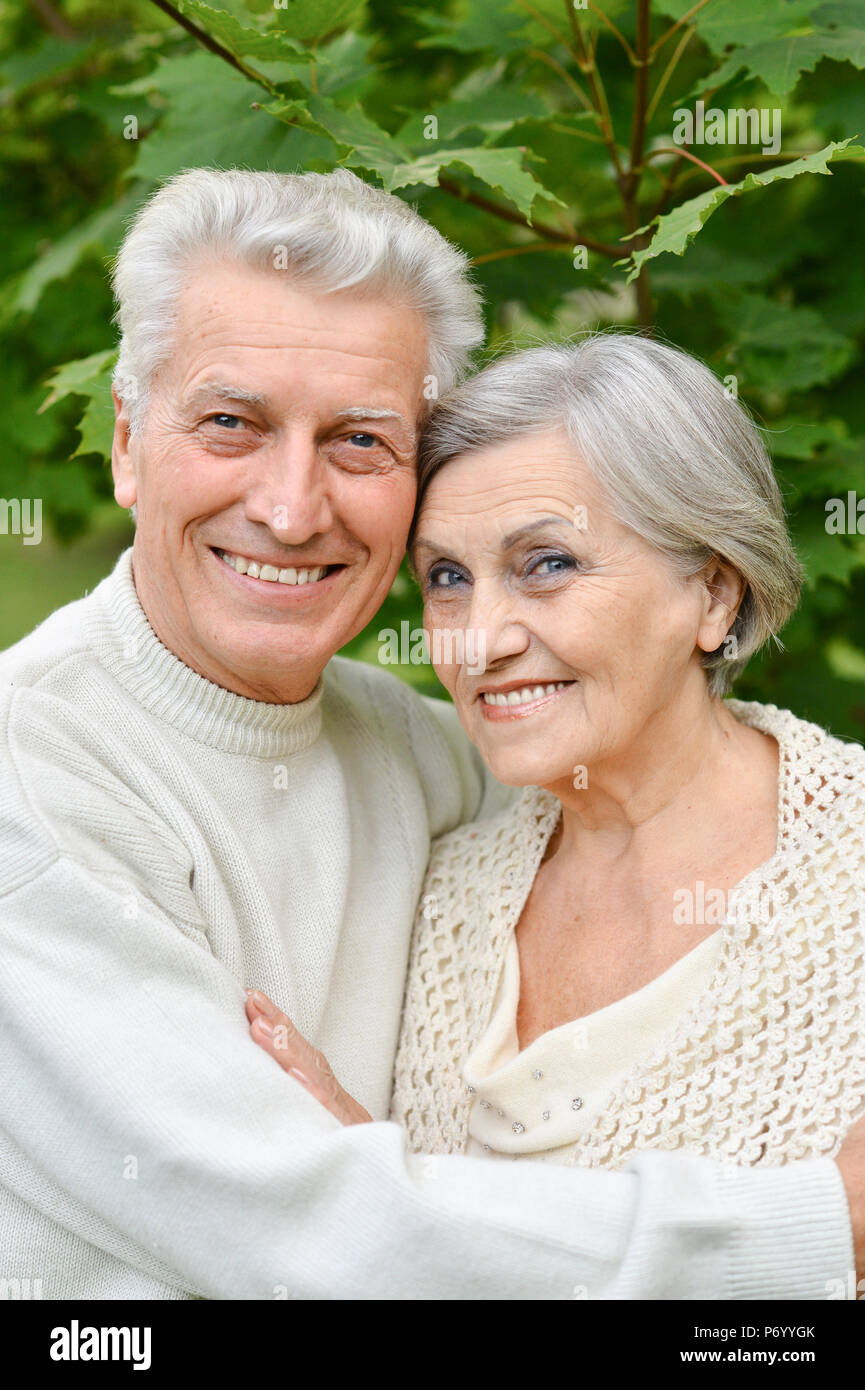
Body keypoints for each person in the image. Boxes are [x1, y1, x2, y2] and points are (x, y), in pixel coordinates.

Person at [0, 168, 860, 1301]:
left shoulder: (440, 760)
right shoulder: (34, 778)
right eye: (230, 423)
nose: (292, 507)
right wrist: (815, 1229)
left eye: (359, 440)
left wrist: (372, 1164)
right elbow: (314, 1235)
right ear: (123, 443)